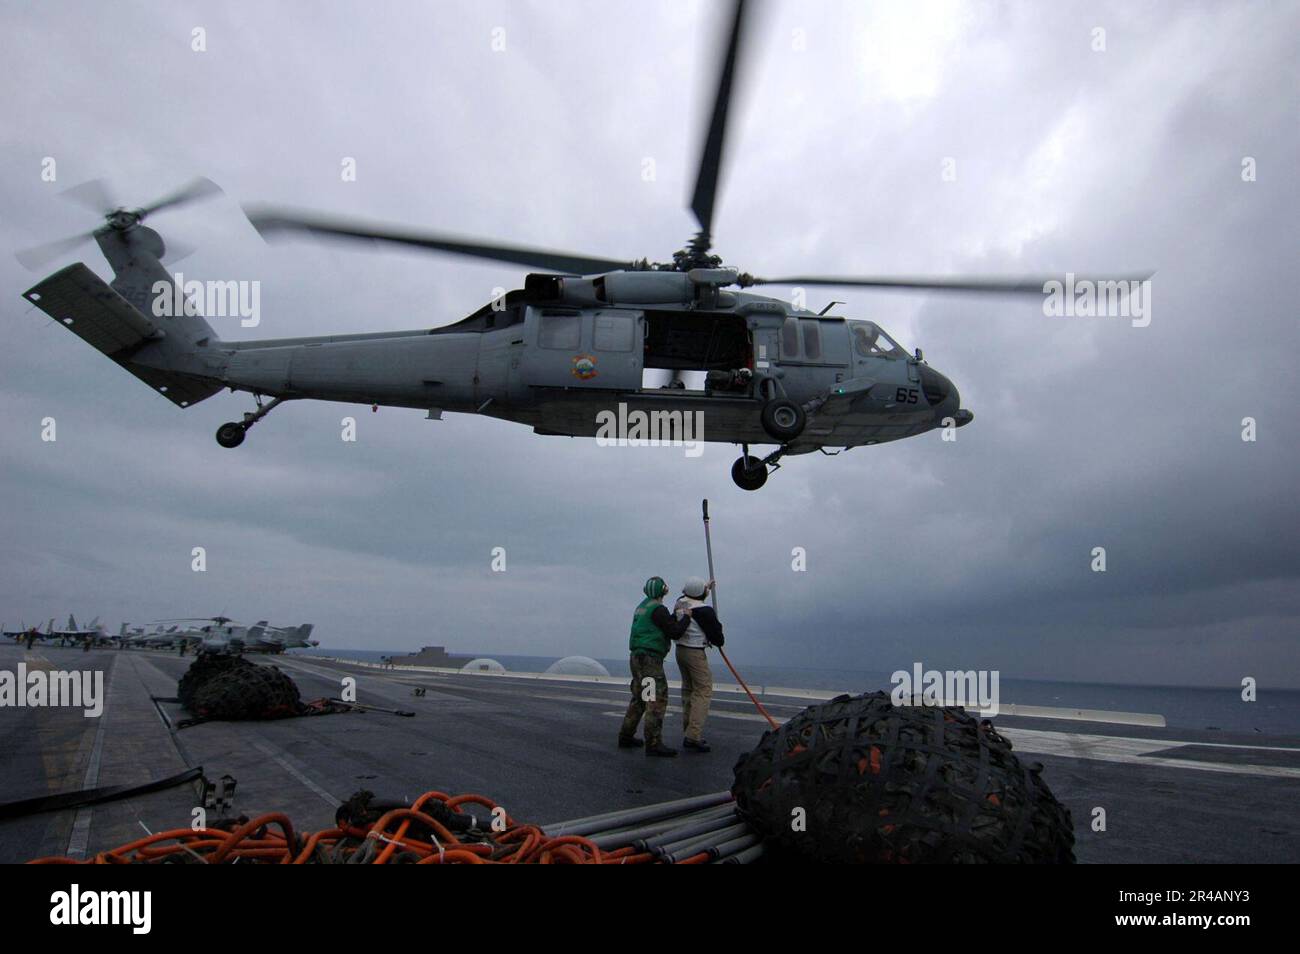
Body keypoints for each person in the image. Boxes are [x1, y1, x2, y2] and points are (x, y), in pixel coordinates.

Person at [618, 576, 692, 757]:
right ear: (663, 590)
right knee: (655, 699)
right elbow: (674, 632)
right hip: (650, 661)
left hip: (636, 658)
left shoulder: (642, 607)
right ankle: (653, 743)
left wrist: (673, 616)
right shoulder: (658, 609)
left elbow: (662, 623)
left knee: (640, 697)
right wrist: (686, 618)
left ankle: (626, 736)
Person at [672, 577, 724, 752]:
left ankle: (688, 730)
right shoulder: (705, 612)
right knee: (703, 691)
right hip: (695, 652)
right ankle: (693, 736)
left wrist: (705, 589)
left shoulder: (679, 604)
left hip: (680, 651)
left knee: (688, 690)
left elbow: (692, 600)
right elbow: (718, 639)